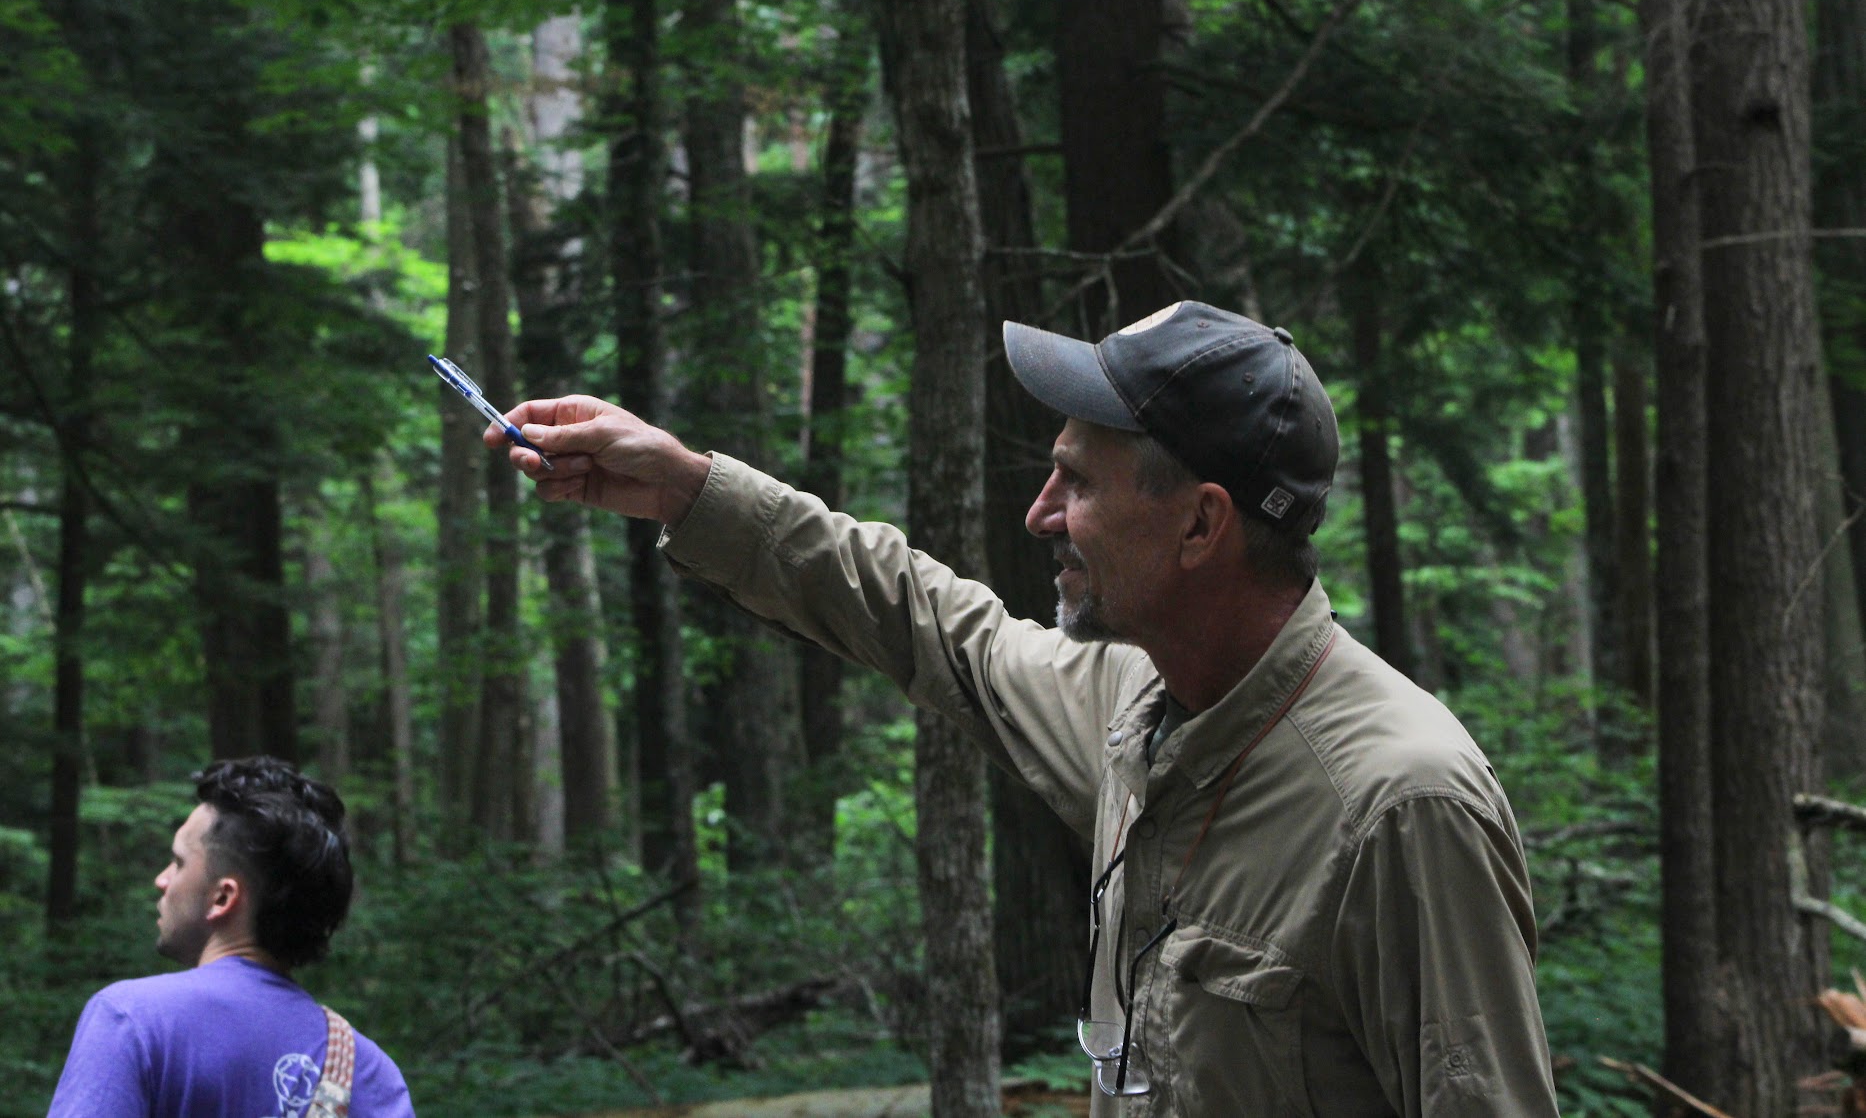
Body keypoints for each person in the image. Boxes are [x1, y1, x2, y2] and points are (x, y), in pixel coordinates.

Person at [490, 300, 1560, 1115]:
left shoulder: (1400, 803)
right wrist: (686, 486)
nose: (1039, 513)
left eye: (1077, 485)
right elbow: (925, 617)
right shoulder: (1136, 702)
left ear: (1201, 526)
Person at [48, 756, 415, 1118]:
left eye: (178, 863)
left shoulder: (133, 1021)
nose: (162, 880)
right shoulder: (368, 1072)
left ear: (222, 897)